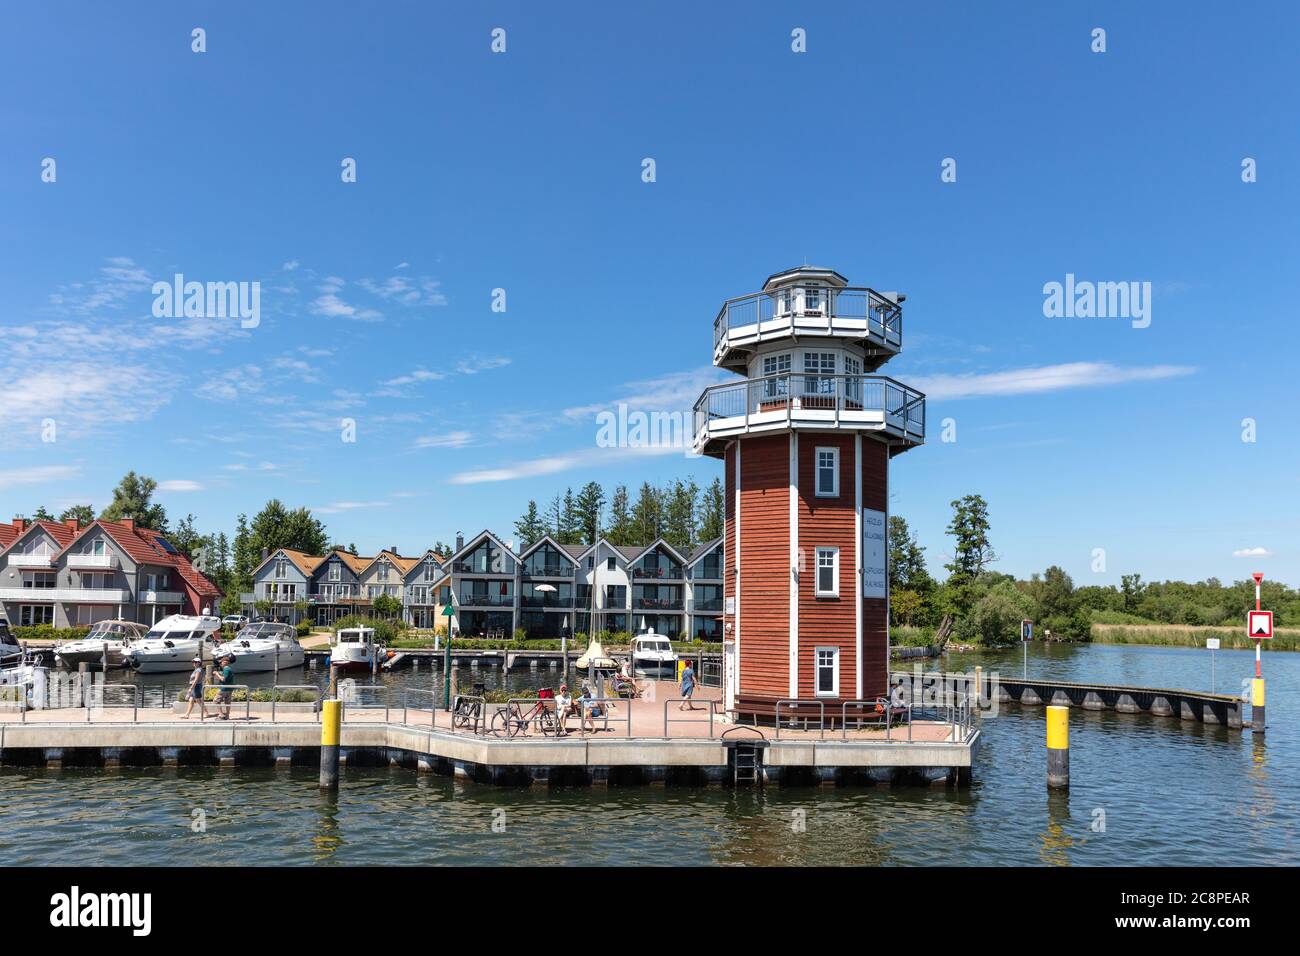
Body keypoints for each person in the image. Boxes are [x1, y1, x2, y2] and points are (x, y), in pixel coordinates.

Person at [214, 654, 235, 720]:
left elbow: (223, 679)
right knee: (227, 702)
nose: (220, 664)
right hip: (230, 688)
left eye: (221, 662)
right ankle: (227, 716)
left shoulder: (226, 669)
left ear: (225, 662)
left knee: (216, 700)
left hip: (224, 688)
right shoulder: (229, 669)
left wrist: (216, 674)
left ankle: (221, 714)